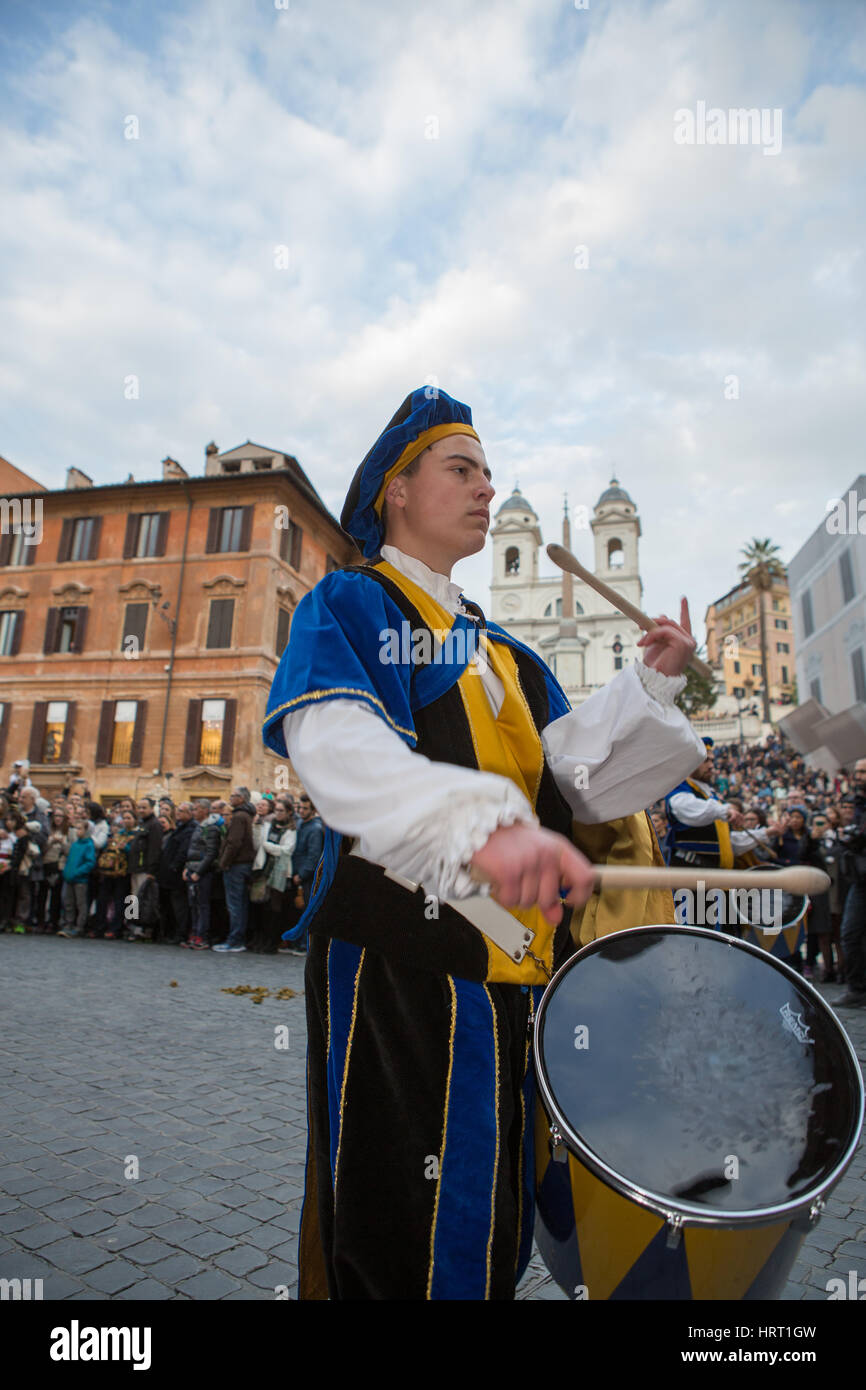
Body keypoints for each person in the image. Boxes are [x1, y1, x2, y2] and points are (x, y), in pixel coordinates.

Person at [262, 385, 705, 1300]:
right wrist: (475, 829)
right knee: (400, 1231)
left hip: (509, 978)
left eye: (489, 475)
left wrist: (647, 686)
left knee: (490, 1221)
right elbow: (334, 742)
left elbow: (573, 774)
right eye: (461, 470)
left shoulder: (500, 647)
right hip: (402, 962)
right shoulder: (352, 606)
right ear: (395, 488)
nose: (485, 492)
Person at [213, 786, 256, 953]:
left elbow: (234, 842)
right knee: (241, 904)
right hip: (243, 864)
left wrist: (223, 862)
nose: (231, 797)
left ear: (243, 799)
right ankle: (238, 938)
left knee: (235, 905)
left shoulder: (238, 816)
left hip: (236, 865)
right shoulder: (246, 815)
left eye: (235, 795)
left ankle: (234, 940)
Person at [285, 795, 324, 955]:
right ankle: (297, 942)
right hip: (296, 874)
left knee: (307, 910)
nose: (301, 811)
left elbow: (313, 856)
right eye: (299, 808)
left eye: (305, 808)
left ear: (313, 810)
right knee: (297, 910)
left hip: (306, 877)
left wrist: (302, 874)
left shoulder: (315, 828)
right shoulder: (300, 823)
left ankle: (304, 945)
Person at [182, 799, 222, 950]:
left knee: (202, 904)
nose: (194, 812)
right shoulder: (199, 826)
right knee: (193, 904)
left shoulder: (211, 828)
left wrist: (199, 871)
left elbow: (211, 853)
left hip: (202, 872)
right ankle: (194, 933)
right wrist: (187, 867)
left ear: (205, 811)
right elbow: (192, 850)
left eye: (197, 809)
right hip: (192, 868)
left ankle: (202, 935)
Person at [58, 812, 96, 938]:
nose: (76, 831)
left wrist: (77, 872)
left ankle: (79, 926)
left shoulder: (89, 845)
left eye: (79, 828)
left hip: (80, 879)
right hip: (69, 878)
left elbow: (89, 863)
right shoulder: (75, 844)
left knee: (80, 904)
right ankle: (68, 924)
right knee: (68, 902)